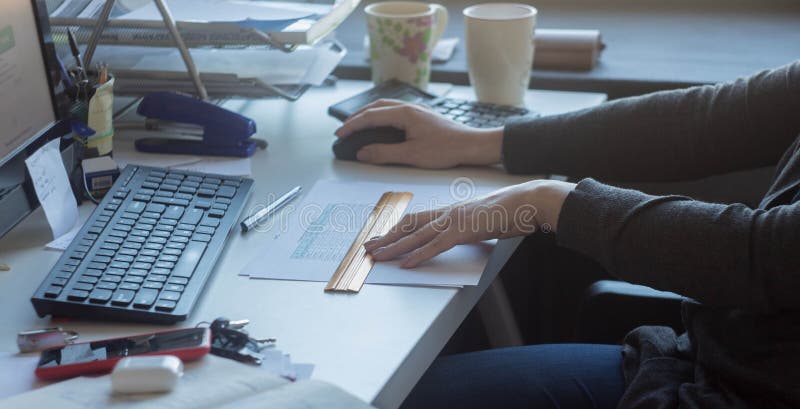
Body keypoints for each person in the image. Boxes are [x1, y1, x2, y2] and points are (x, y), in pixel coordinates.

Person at [334, 61, 800, 408]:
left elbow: (770, 254)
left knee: (382, 400)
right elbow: (714, 119)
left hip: (743, 394)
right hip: (714, 360)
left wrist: (548, 202)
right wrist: (481, 143)